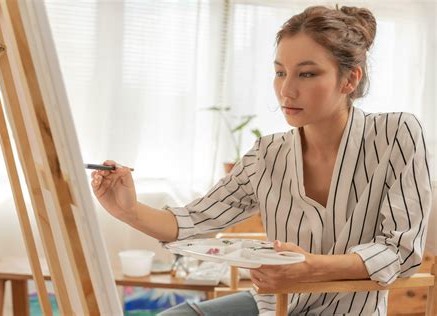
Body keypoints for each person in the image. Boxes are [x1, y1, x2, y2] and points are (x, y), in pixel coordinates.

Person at [91, 5, 432, 315]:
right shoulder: (267, 154)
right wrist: (127, 210)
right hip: (272, 307)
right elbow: (195, 219)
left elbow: (400, 251)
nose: (286, 91)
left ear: (350, 79)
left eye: (307, 74)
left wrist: (312, 267)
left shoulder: (396, 134)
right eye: (280, 72)